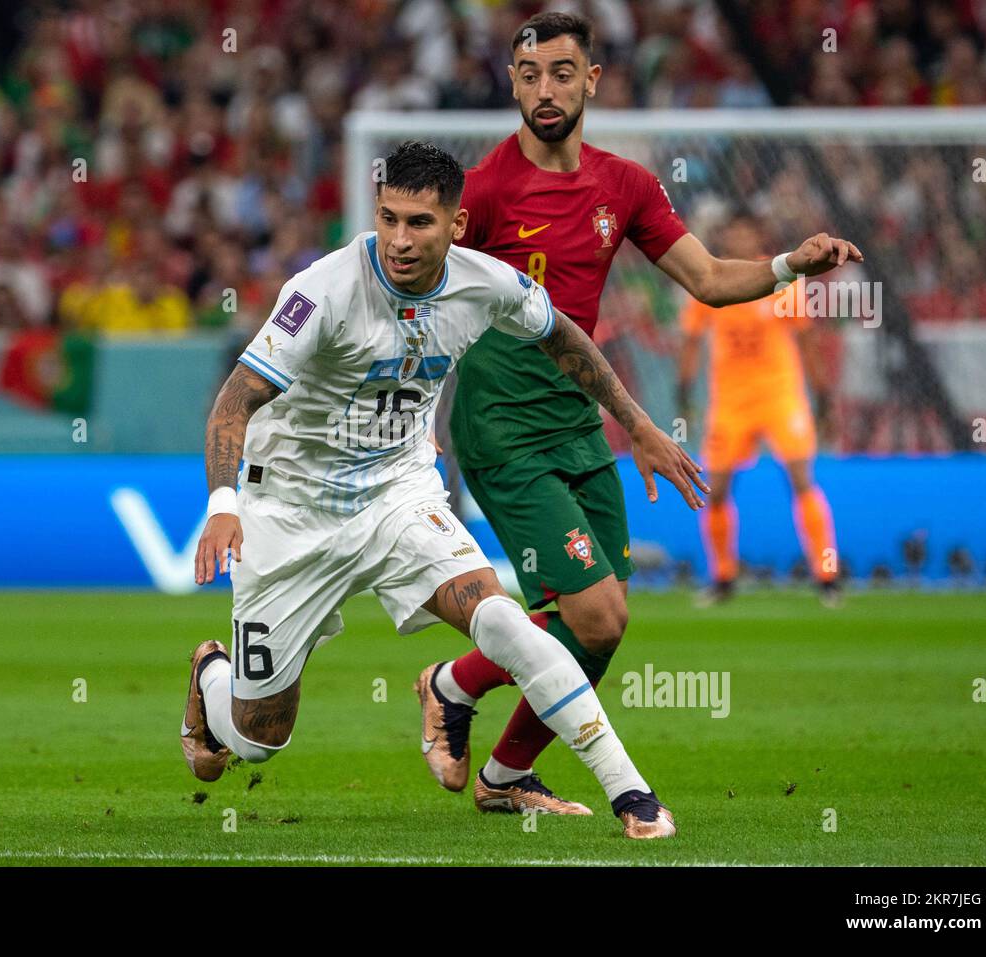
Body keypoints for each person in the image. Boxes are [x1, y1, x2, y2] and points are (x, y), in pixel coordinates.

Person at [182, 141, 707, 839]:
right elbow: (233, 403)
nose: (400, 240)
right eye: (389, 219)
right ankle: (211, 675)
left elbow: (562, 336)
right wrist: (224, 506)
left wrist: (635, 423)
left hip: (398, 493)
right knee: (256, 738)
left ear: (456, 225)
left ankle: (631, 791)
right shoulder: (323, 291)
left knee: (503, 619)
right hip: (290, 509)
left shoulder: (487, 283)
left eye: (420, 223)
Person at [415, 12, 861, 826]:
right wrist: (423, 427)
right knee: (593, 611)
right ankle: (463, 700)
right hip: (502, 425)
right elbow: (417, 303)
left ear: (592, 80)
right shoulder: (480, 192)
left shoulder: (624, 185)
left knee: (601, 627)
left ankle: (496, 754)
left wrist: (792, 263)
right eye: (528, 74)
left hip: (579, 420)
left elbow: (713, 279)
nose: (543, 89)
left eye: (560, 72)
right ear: (511, 84)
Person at [678, 212, 840, 607]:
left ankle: (827, 577)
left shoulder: (783, 279)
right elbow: (691, 341)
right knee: (714, 488)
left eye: (746, 233)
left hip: (780, 395)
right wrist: (684, 391)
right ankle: (723, 578)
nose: (739, 240)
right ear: (725, 238)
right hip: (730, 401)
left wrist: (822, 397)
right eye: (733, 233)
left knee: (801, 479)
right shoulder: (710, 279)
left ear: (758, 236)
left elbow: (806, 341)